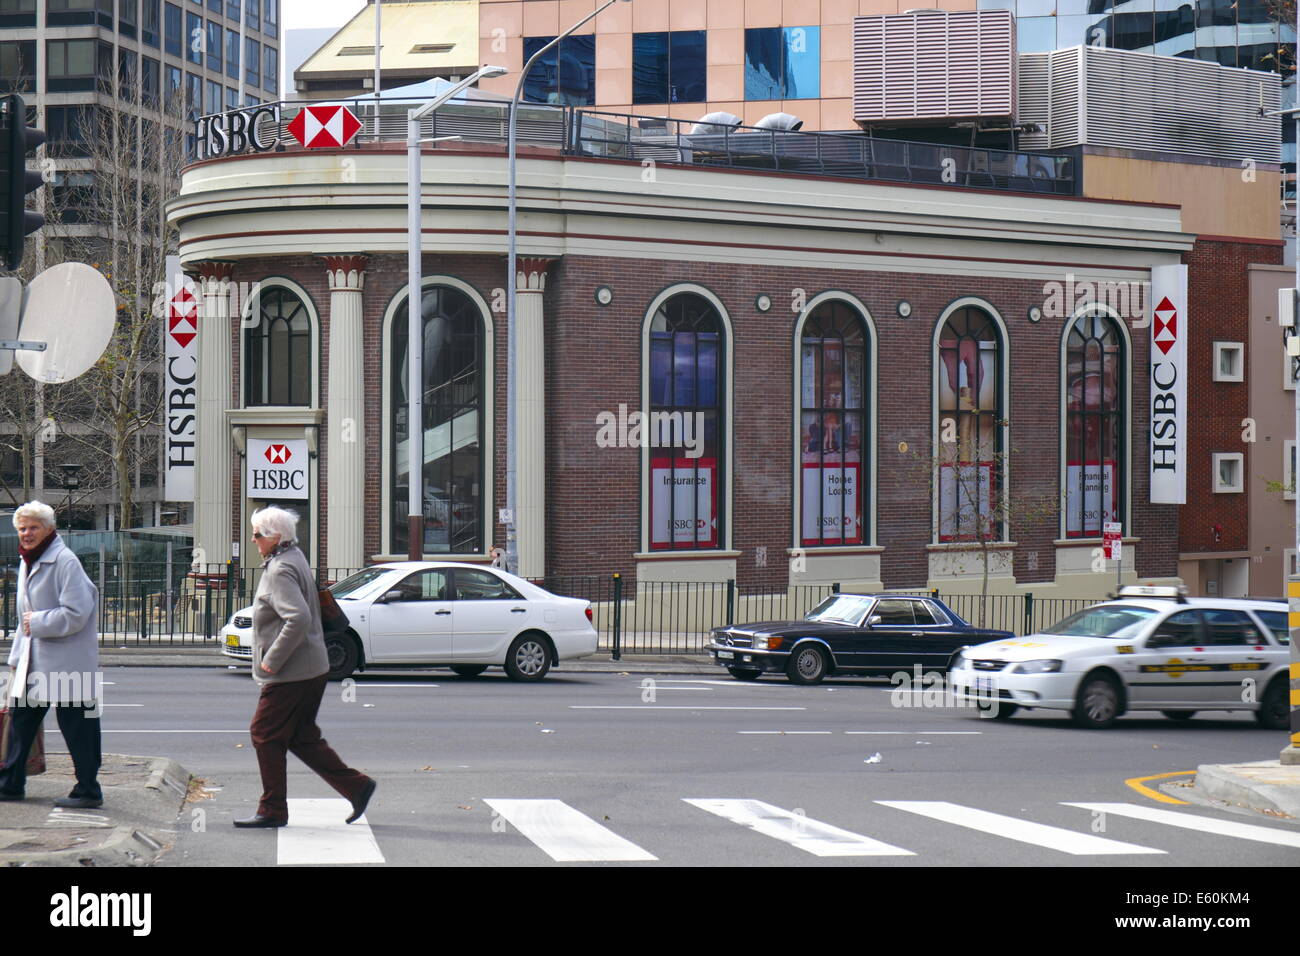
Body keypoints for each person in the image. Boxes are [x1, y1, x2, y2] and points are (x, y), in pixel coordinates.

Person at [236, 506, 375, 828]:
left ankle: (272, 810)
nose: (253, 539)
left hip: (292, 671)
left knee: (264, 734)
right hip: (312, 667)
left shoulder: (279, 570)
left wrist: (272, 660)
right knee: (301, 737)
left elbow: (297, 618)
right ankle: (357, 786)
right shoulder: (294, 556)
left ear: (274, 537)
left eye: (257, 534)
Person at [0, 501, 102, 808]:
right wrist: (16, 660)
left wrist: (38, 622)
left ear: (49, 529)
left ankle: (88, 790)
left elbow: (77, 613)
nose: (26, 534)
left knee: (79, 727)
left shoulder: (64, 561)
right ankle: (11, 783)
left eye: (33, 528)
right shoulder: (30, 559)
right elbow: (24, 619)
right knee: (20, 721)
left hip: (68, 661)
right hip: (35, 661)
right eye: (22, 529)